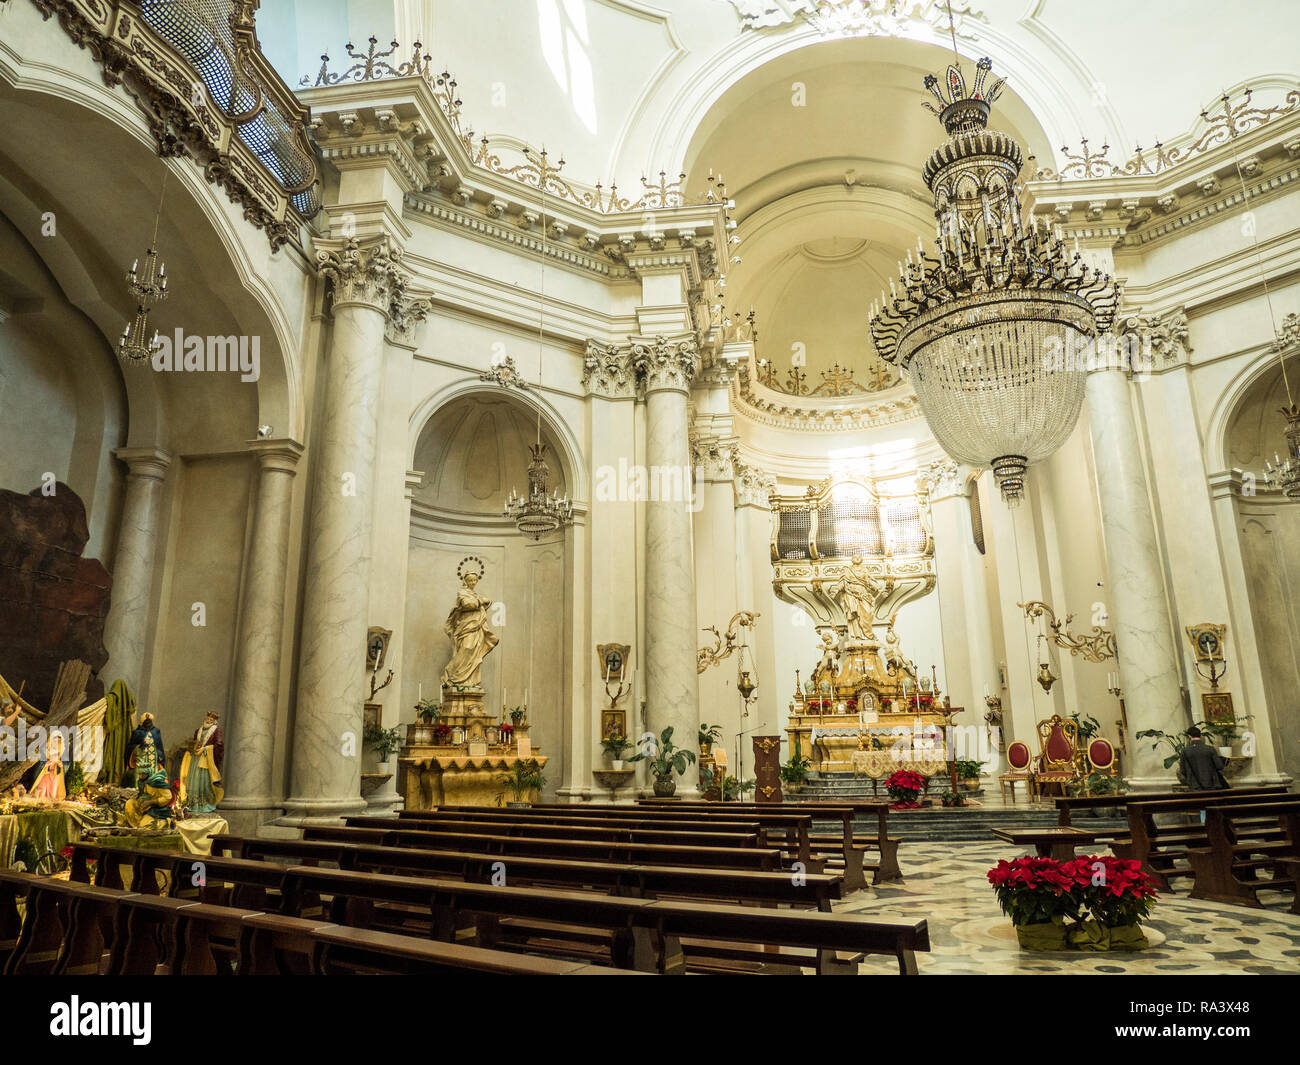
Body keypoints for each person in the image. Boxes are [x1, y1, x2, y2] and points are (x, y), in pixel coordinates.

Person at [178, 710, 224, 814]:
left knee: (204, 781)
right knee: (194, 780)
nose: (208, 720)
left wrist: (205, 749)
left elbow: (219, 745)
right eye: (207, 719)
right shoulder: (198, 730)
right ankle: (193, 804)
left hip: (206, 759)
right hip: (195, 759)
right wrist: (193, 748)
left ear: (214, 721)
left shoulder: (216, 731)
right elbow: (194, 742)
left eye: (211, 719)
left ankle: (205, 805)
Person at [1179, 726, 1228, 791]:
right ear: (1200, 736)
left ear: (1189, 736)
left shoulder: (1185, 751)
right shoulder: (1210, 749)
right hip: (1212, 784)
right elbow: (1219, 766)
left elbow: (1182, 770)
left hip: (1194, 786)